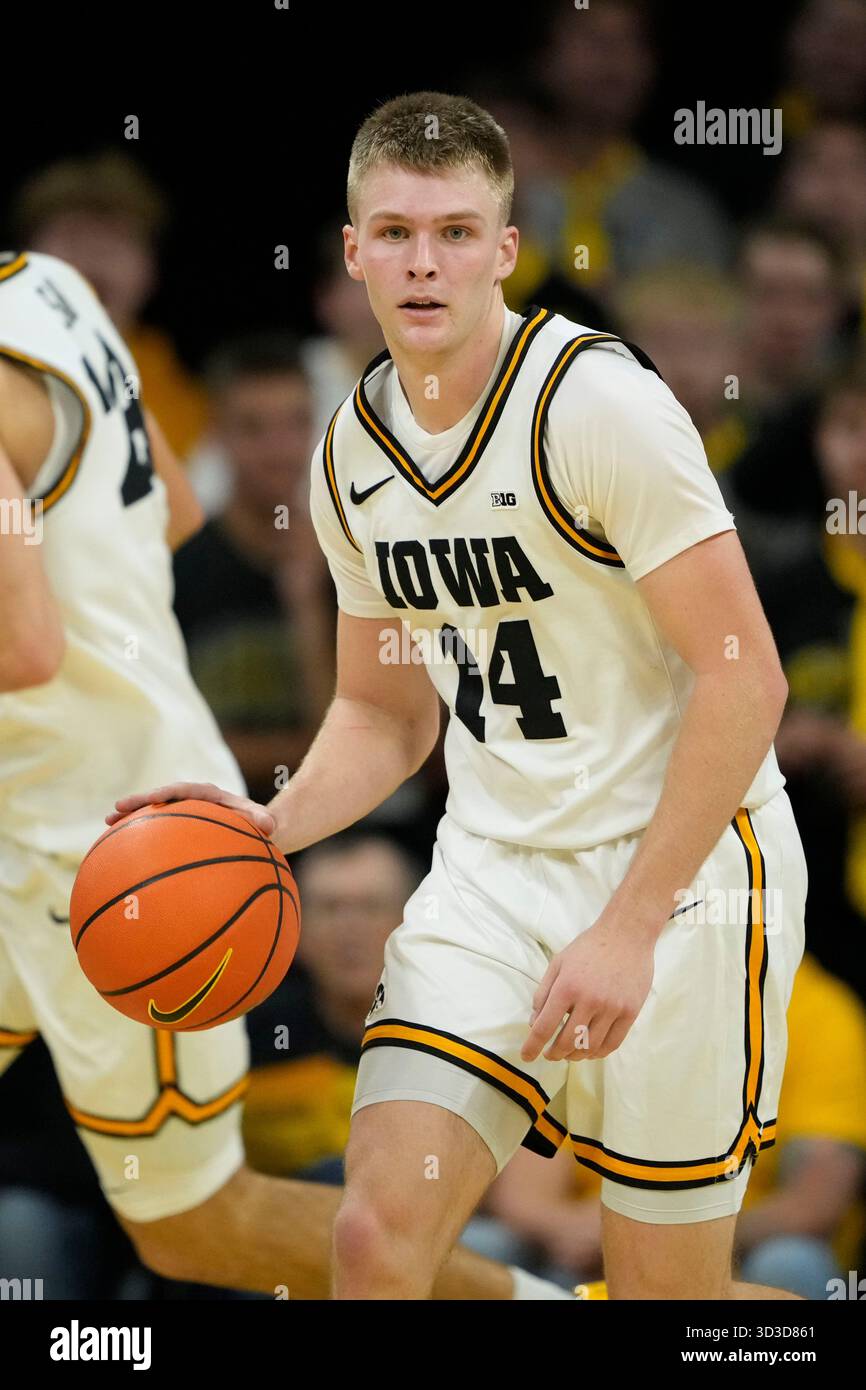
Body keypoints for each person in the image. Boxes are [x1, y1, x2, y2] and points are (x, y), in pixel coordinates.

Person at [113, 91, 809, 1301]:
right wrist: (267, 826)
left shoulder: (594, 404)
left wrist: (630, 925)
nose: (421, 261)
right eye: (392, 232)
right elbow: (386, 712)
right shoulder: (346, 456)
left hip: (687, 871)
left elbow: (744, 677)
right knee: (373, 1241)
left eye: (450, 231)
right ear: (350, 250)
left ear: (503, 247)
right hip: (492, 866)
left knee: (667, 1298)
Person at [0, 247, 571, 1301]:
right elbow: (170, 507)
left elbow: (24, 643)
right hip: (72, 810)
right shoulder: (46, 285)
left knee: (197, 1225)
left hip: (97, 857)